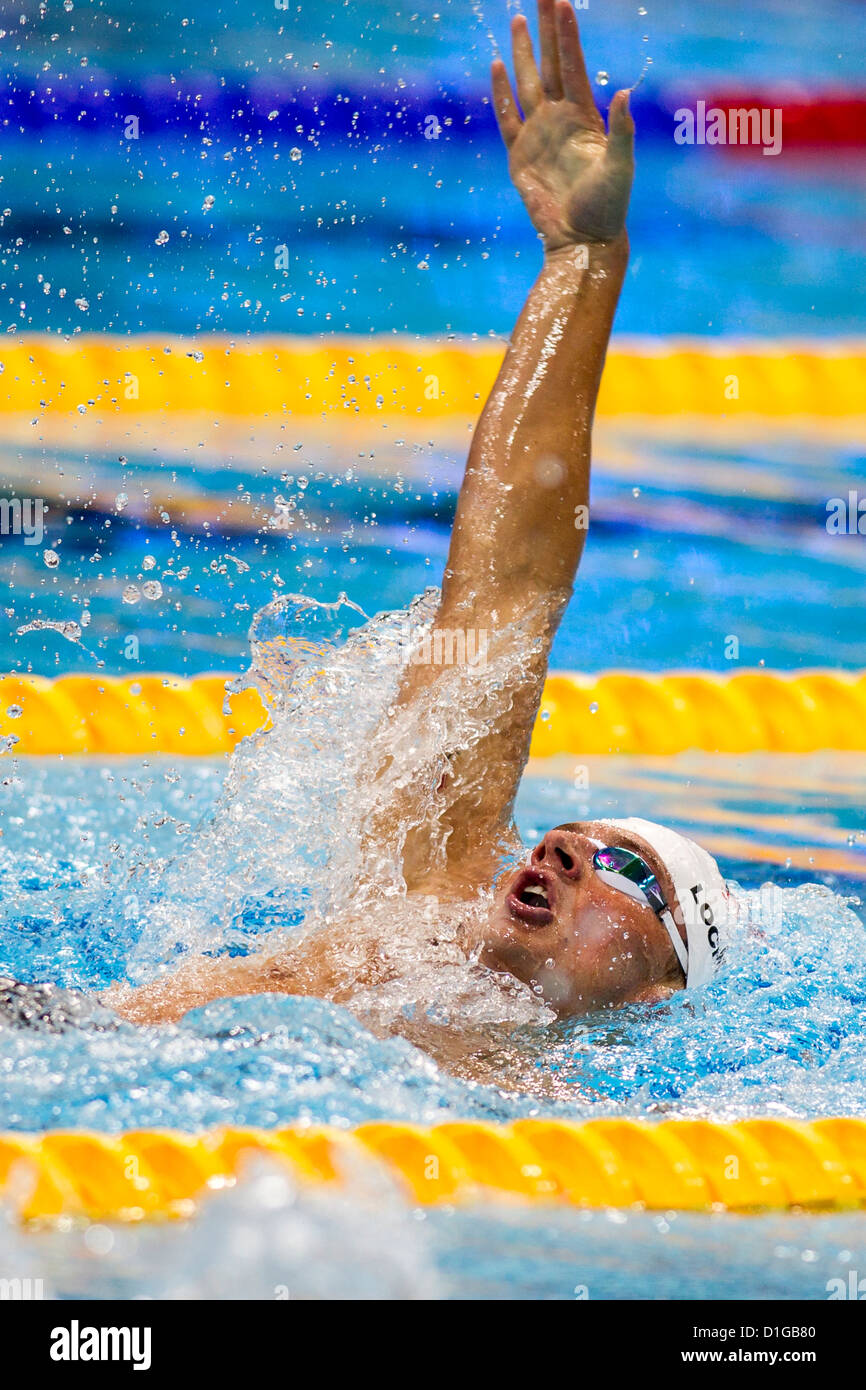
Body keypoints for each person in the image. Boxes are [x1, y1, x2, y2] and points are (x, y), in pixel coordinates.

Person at [7, 2, 733, 1036]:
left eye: (625, 870)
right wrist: (580, 263)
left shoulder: (538, 1109)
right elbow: (508, 586)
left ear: (659, 985)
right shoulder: (426, 890)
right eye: (569, 835)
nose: (564, 852)